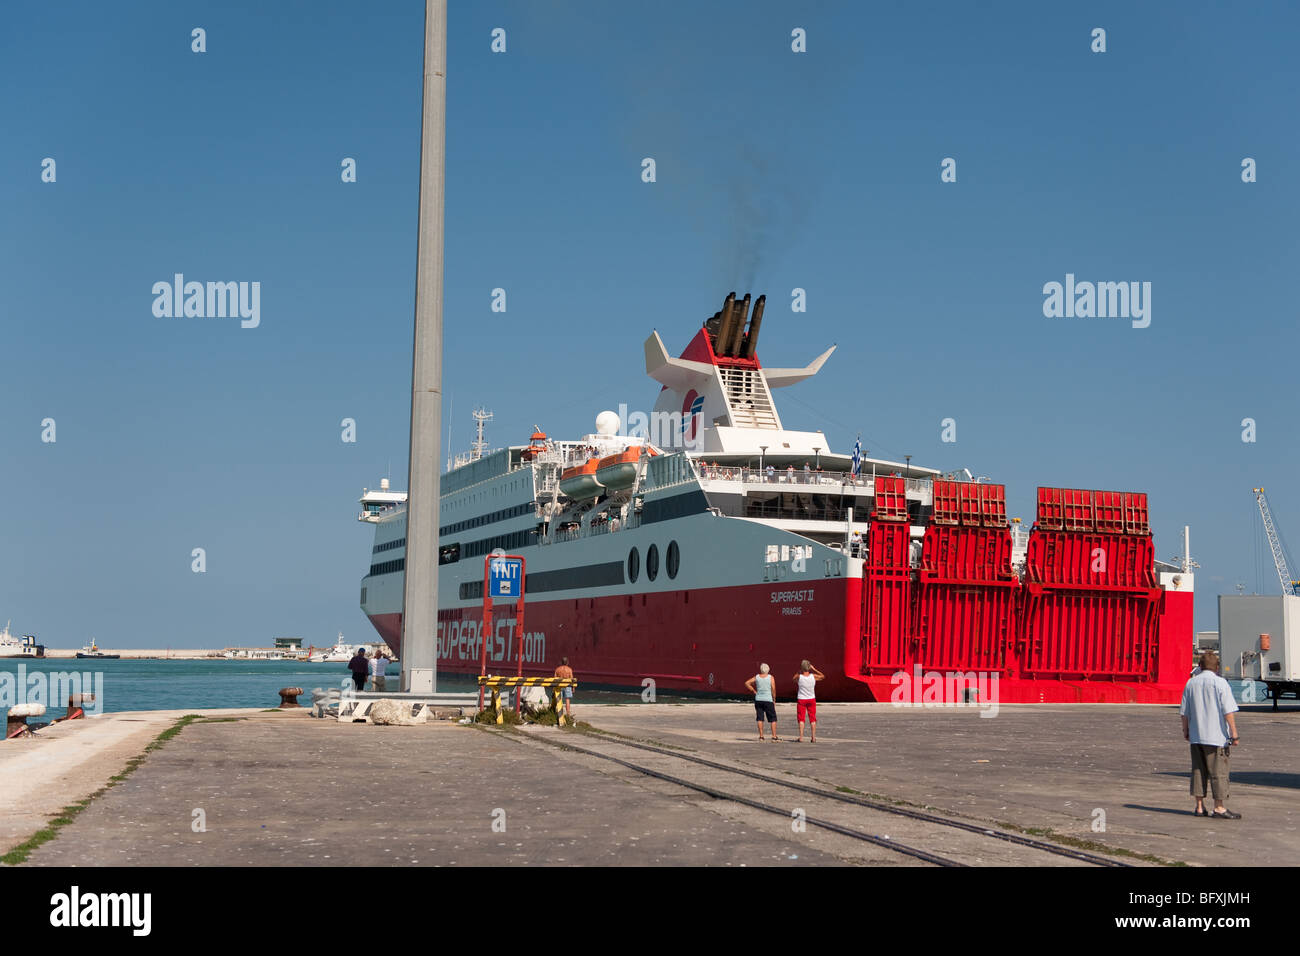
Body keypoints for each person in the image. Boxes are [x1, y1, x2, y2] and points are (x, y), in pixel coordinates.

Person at [1180, 651, 1242, 819]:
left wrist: (1186, 731)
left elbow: (1184, 712)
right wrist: (1234, 734)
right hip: (1216, 737)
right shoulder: (1220, 683)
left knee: (1198, 771)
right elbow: (1228, 711)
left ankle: (1199, 806)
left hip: (1196, 735)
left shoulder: (1190, 683)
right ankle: (1219, 808)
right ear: (1217, 667)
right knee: (1219, 772)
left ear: (1199, 666)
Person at [745, 664, 779, 741]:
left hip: (758, 699)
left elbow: (747, 683)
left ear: (761, 669)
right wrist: (774, 699)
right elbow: (773, 688)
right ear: (768, 669)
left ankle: (761, 736)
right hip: (768, 700)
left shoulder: (757, 677)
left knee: (760, 718)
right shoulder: (771, 677)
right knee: (773, 718)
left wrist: (753, 691)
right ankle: (774, 736)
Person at [793, 660, 825, 742]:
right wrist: (814, 669)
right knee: (812, 719)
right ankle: (813, 737)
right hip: (811, 699)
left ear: (802, 667)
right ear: (809, 667)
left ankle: (801, 737)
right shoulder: (813, 676)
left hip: (801, 699)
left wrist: (799, 671)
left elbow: (793, 679)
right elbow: (822, 676)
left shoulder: (799, 677)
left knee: (801, 719)